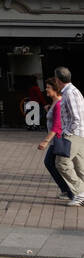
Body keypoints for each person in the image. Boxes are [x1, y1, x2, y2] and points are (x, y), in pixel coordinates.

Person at [52, 66, 84, 206]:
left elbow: (76, 117)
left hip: (74, 134)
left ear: (58, 80)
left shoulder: (70, 93)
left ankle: (80, 193)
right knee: (79, 166)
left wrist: (67, 132)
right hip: (78, 133)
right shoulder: (70, 91)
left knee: (62, 163)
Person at [37, 78, 73, 201]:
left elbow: (57, 125)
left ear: (55, 89)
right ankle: (67, 190)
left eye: (48, 87)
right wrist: (48, 109)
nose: (45, 89)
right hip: (56, 139)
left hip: (57, 139)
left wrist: (45, 141)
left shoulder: (58, 104)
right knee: (52, 164)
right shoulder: (54, 103)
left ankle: (71, 192)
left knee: (56, 164)